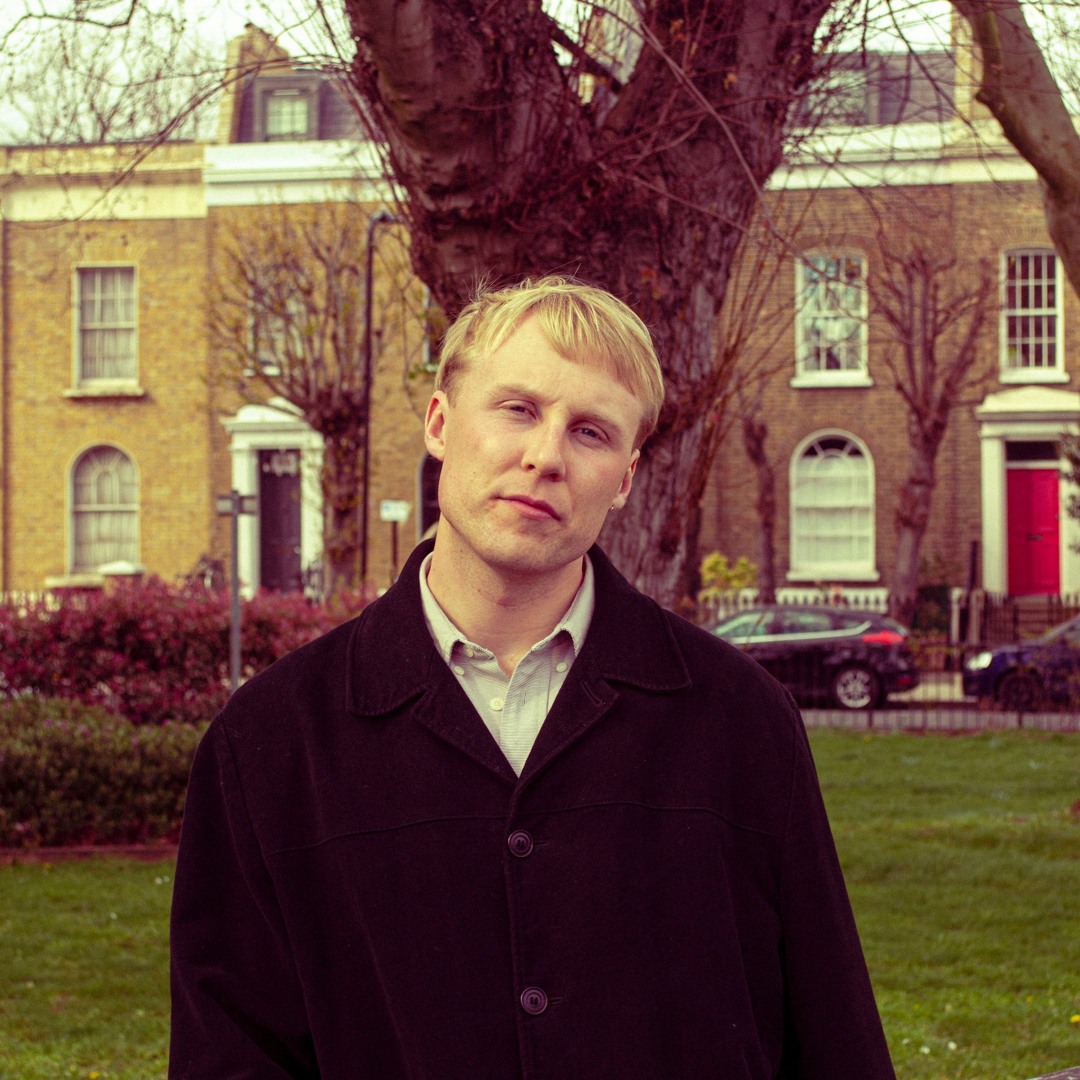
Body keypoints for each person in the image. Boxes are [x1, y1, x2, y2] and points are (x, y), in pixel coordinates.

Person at [169, 276, 895, 1079]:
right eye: (517, 409)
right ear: (440, 423)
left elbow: (832, 1034)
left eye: (590, 432)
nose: (546, 457)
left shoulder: (740, 718)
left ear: (624, 478)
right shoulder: (269, 742)